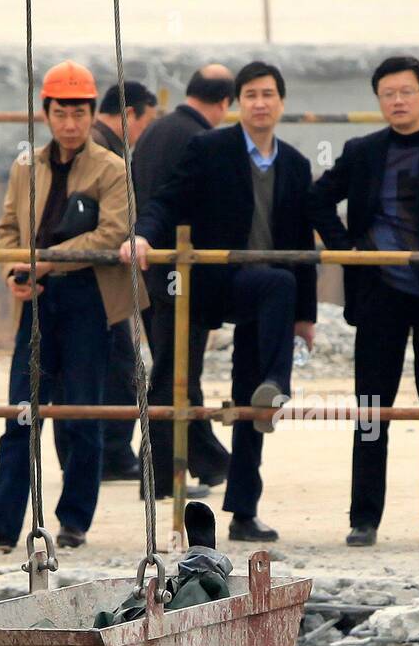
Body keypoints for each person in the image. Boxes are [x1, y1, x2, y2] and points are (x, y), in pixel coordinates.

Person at [122, 60, 316, 543]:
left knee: (254, 395)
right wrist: (142, 236)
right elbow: (166, 200)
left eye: (269, 94)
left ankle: (245, 509)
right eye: (250, 95)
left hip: (266, 293)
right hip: (211, 282)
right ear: (236, 104)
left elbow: (303, 246)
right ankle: (171, 474)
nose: (260, 103)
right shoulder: (209, 148)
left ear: (281, 102)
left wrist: (306, 317)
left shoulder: (294, 163)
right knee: (178, 373)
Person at [0, 60, 135, 550]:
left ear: (92, 114)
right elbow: (8, 230)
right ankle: (1, 522)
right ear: (46, 113)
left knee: (82, 413)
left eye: (79, 113)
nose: (69, 124)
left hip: (88, 299)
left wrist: (48, 262)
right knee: (22, 413)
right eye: (60, 113)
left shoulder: (111, 169)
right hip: (36, 301)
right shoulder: (25, 165)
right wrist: (15, 271)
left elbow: (112, 233)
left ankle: (73, 520)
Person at [307, 55, 419, 548]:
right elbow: (317, 198)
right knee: (371, 408)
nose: (398, 101)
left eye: (407, 91)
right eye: (388, 93)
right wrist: (345, 250)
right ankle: (364, 517)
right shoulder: (362, 151)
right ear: (379, 100)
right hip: (379, 294)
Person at [132, 64, 236, 499]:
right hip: (181, 274)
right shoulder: (200, 140)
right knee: (173, 376)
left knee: (180, 374)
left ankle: (209, 462)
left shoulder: (157, 130)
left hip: (153, 271)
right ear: (225, 104)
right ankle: (155, 476)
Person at [55, 79, 157, 482]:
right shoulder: (101, 153)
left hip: (90, 281)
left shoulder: (104, 149)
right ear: (130, 115)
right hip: (94, 283)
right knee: (114, 371)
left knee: (98, 372)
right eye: (147, 122)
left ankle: (103, 455)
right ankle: (109, 455)